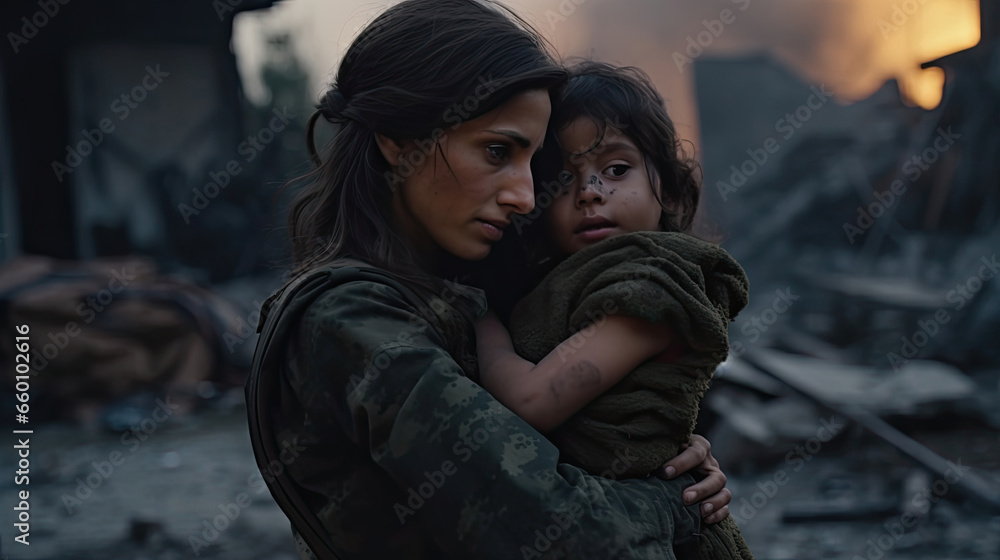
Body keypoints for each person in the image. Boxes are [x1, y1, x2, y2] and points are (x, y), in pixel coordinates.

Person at [249, 1, 734, 558]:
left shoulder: (461, 292)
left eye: (532, 166)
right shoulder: (351, 320)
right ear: (398, 140)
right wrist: (677, 500)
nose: (526, 196)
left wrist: (662, 449)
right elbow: (563, 535)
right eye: (497, 151)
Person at [473, 61, 754, 559]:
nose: (589, 192)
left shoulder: (650, 289)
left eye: (616, 170)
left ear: (667, 188)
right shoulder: (557, 280)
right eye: (562, 179)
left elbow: (533, 402)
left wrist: (480, 321)